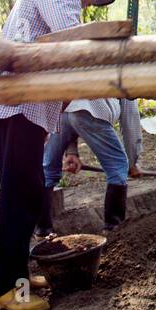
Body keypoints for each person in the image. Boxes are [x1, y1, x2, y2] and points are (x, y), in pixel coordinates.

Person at [0, 0, 116, 310]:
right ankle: (7, 287)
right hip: (20, 101)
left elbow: (56, 53)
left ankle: (12, 277)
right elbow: (76, 45)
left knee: (23, 190)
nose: (88, 4)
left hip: (25, 104)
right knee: (22, 194)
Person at [38, 96, 143, 234]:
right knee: (118, 166)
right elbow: (130, 124)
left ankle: (42, 230)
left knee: (48, 171)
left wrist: (72, 152)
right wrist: (132, 163)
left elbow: (71, 114)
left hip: (62, 112)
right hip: (92, 111)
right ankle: (113, 229)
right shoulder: (128, 86)